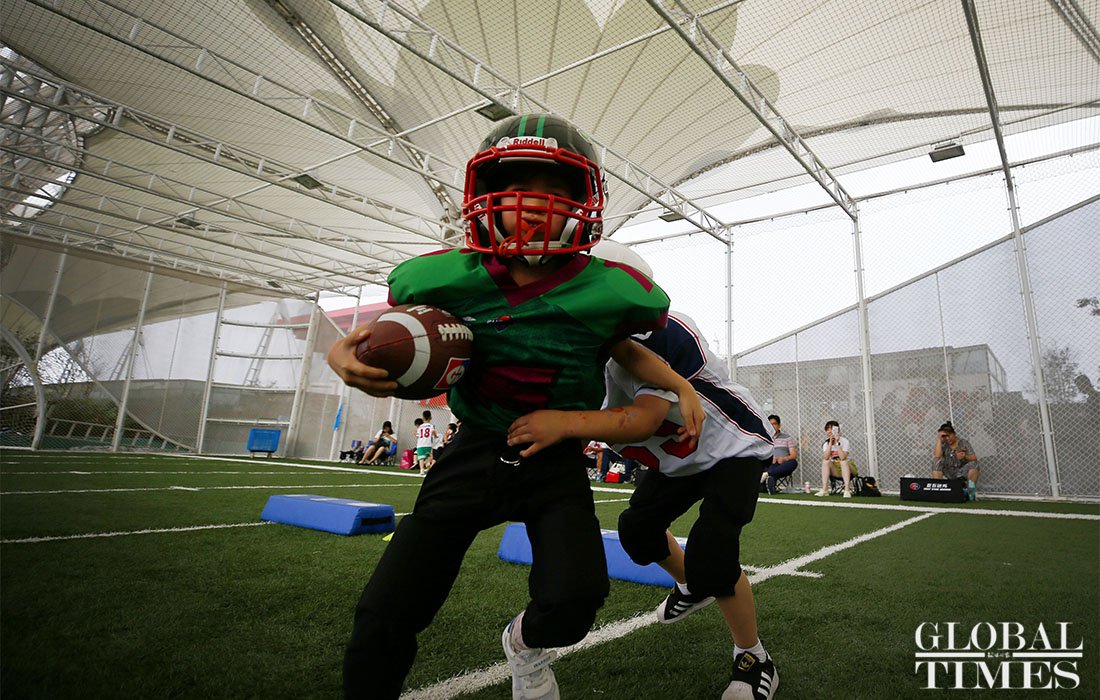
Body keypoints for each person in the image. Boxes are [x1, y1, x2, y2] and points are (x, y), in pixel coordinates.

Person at [326, 114, 705, 700]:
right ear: (483, 198)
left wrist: (678, 384)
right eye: (517, 188)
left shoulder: (612, 289)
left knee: (576, 600)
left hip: (555, 464)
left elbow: (620, 346)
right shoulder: (444, 279)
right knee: (389, 606)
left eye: (556, 191)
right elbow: (388, 336)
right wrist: (340, 352)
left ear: (587, 201)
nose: (535, 204)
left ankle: (524, 643)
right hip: (474, 448)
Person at [506, 309, 778, 700]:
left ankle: (754, 657)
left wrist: (564, 423)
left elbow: (643, 420)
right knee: (636, 531)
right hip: (679, 461)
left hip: (733, 447)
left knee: (713, 554)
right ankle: (689, 585)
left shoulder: (659, 334)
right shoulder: (573, 361)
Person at [932, 421, 979, 500]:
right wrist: (939, 439)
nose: (947, 438)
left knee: (974, 464)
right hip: (948, 471)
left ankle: (970, 493)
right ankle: (939, 493)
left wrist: (965, 457)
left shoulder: (963, 442)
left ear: (954, 434)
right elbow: (937, 455)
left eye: (949, 435)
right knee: (936, 461)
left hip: (960, 473)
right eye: (945, 436)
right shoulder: (942, 443)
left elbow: (974, 458)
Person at [815, 420, 854, 497]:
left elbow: (843, 457)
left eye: (831, 428)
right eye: (827, 429)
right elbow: (826, 457)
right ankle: (825, 489)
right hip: (835, 469)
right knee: (825, 461)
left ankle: (847, 490)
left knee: (843, 462)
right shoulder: (826, 443)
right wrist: (830, 443)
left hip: (847, 468)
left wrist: (836, 443)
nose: (829, 431)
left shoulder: (844, 441)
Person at [762, 414, 798, 494]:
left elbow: (794, 455)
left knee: (793, 462)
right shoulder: (764, 438)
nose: (772, 426)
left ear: (779, 425)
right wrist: (770, 458)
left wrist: (785, 458)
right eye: (770, 424)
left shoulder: (787, 438)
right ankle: (770, 483)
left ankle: (767, 475)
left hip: (783, 465)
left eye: (774, 424)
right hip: (770, 464)